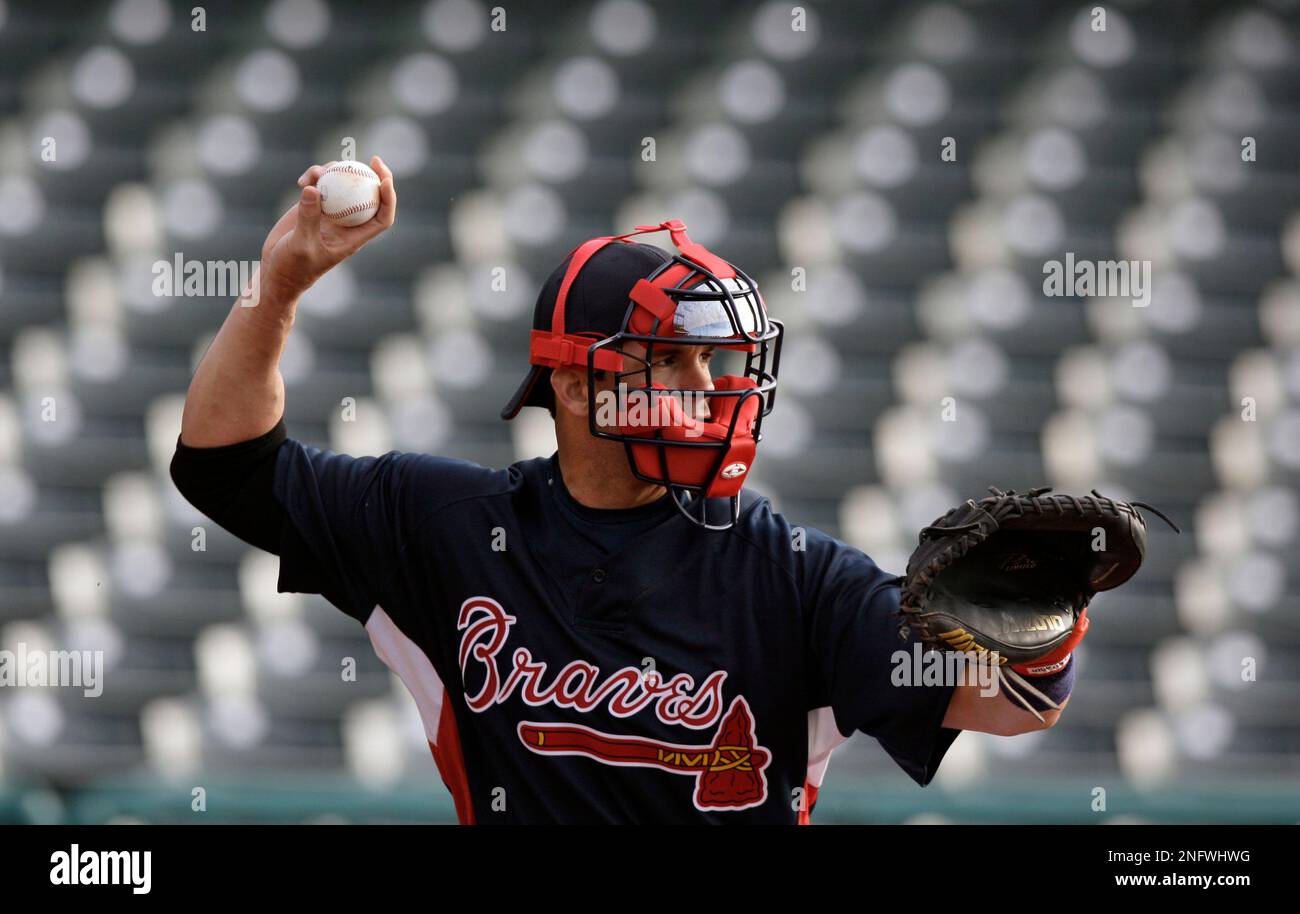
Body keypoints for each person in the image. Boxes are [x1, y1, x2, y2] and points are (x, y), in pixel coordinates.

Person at [171, 159, 1072, 824]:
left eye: (715, 362)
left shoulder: (791, 576)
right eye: (669, 358)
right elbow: (225, 466)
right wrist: (280, 284)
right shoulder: (442, 527)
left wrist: (1047, 611)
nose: (708, 385)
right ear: (571, 385)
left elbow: (1014, 701)